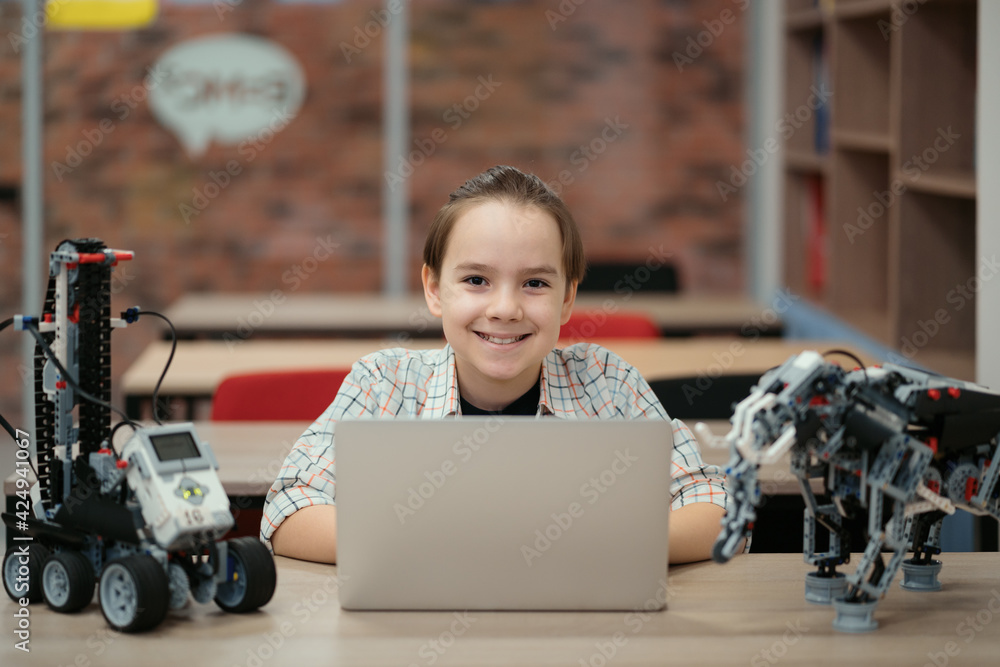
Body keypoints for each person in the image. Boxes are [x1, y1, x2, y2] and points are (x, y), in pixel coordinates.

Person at [262, 165, 738, 564]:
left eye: (535, 284)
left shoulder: (607, 384)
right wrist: (428, 548)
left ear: (568, 298)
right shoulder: (383, 383)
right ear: (433, 289)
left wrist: (604, 547)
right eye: (476, 280)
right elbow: (287, 508)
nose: (506, 309)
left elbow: (719, 507)